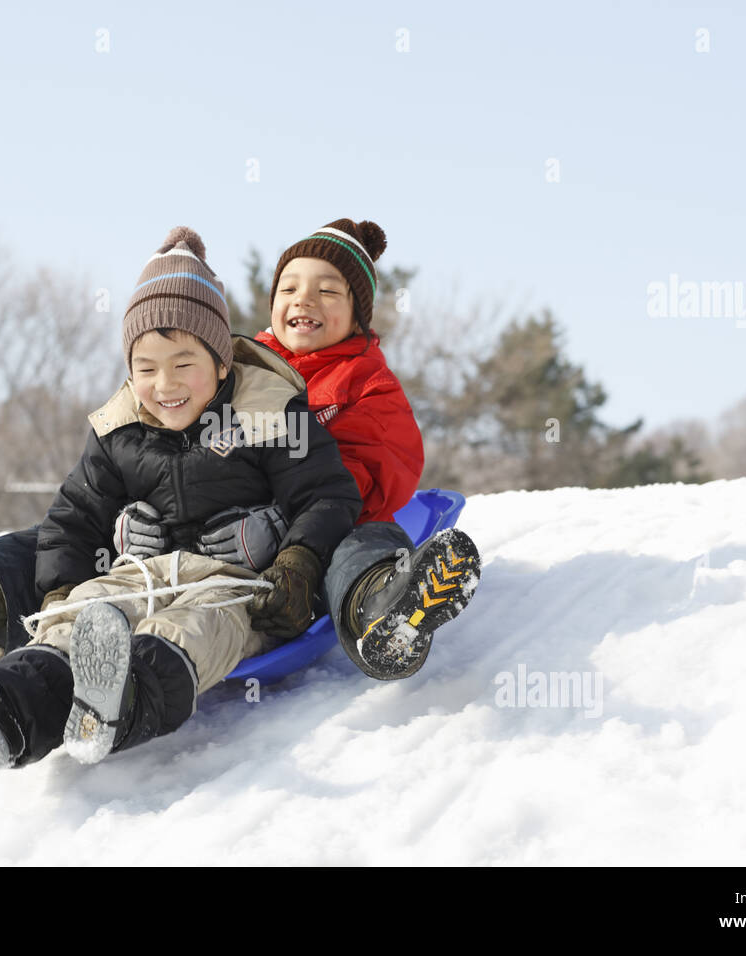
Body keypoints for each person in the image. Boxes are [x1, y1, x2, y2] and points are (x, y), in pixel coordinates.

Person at [0, 228, 362, 773]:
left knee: (192, 629)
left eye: (184, 365)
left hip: (230, 584)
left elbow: (326, 496)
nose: (165, 384)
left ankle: (121, 707)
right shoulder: (120, 428)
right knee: (80, 622)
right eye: (146, 369)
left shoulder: (268, 413)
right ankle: (3, 715)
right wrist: (64, 589)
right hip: (139, 573)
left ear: (223, 363)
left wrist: (294, 560)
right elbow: (72, 516)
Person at [120, 219, 480, 679]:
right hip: (229, 536)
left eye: (328, 292)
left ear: (357, 316)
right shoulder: (238, 370)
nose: (304, 299)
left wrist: (294, 514)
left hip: (329, 528)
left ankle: (386, 608)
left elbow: (375, 466)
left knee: (363, 546)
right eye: (288, 288)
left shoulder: (366, 382)